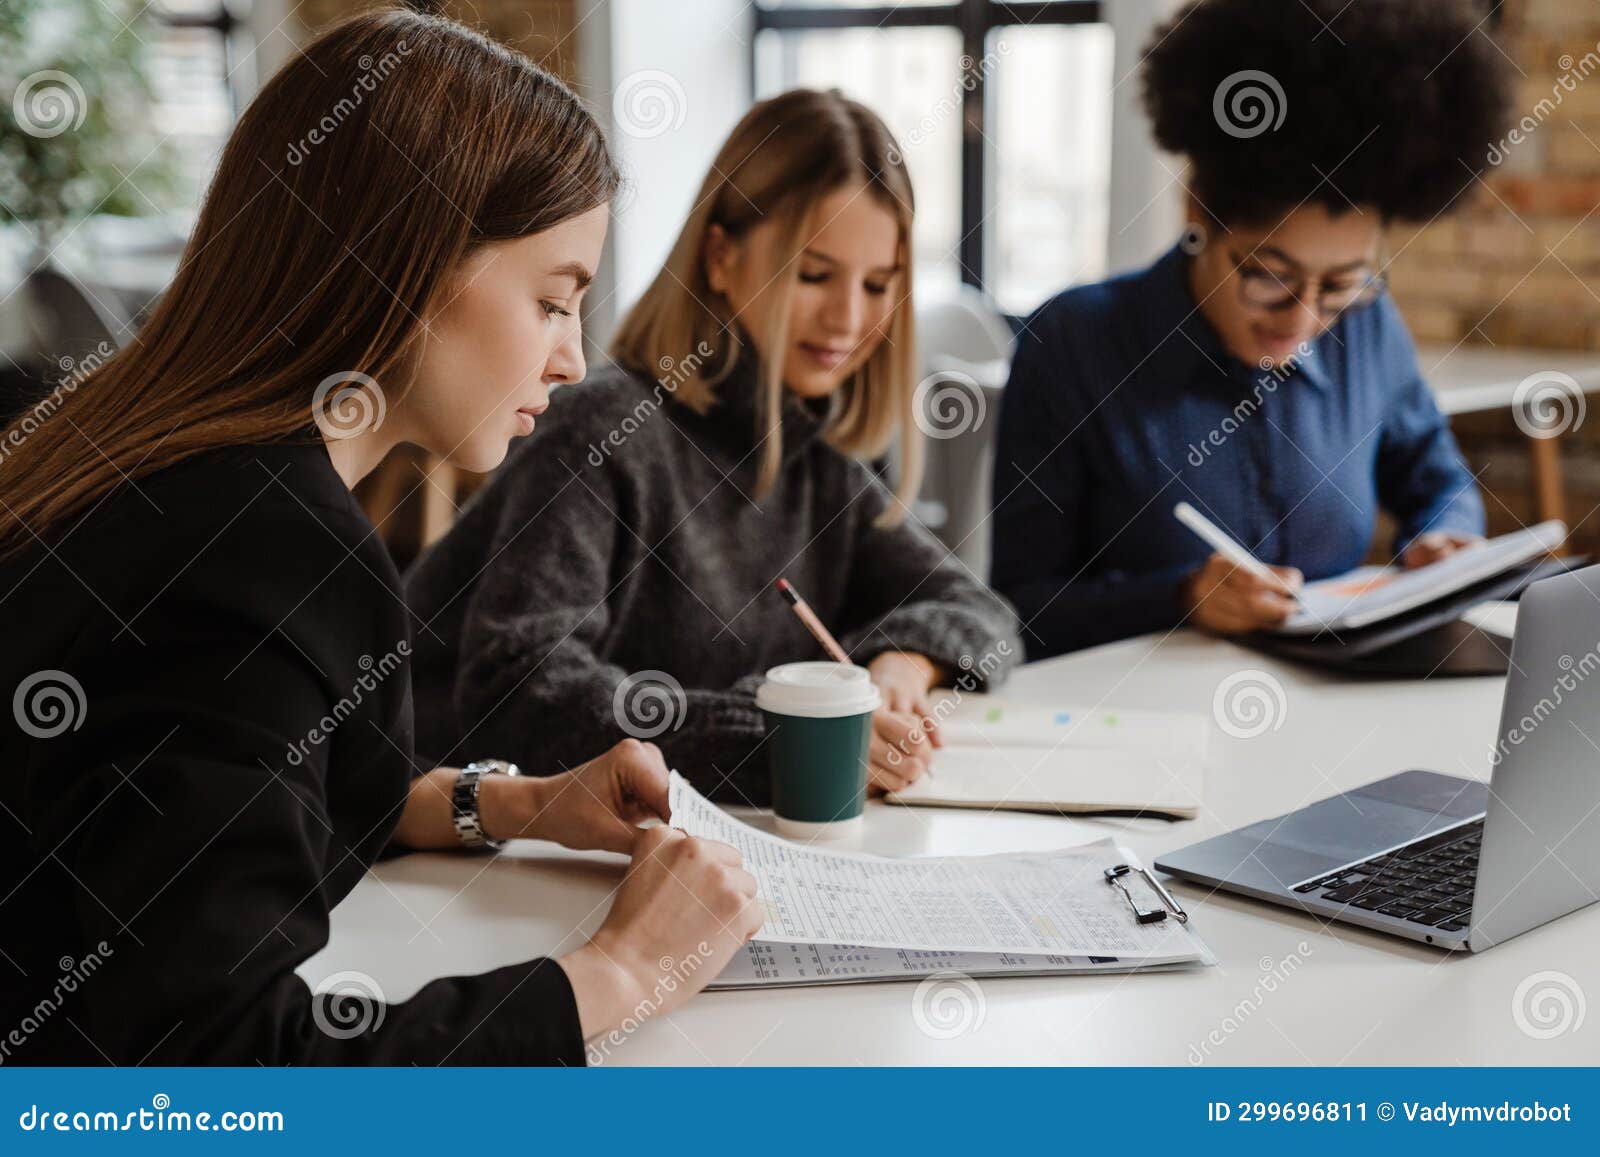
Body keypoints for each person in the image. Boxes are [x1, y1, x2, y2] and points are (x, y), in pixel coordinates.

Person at [0, 10, 762, 1066]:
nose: (573, 359)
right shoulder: (258, 554)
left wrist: (513, 802)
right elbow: (217, 1072)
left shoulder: (148, 449)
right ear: (409, 266)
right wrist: (617, 972)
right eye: (551, 300)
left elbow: (202, 804)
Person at [405, 89, 1020, 804]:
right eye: (814, 274)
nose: (849, 318)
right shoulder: (606, 429)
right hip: (429, 853)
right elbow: (520, 692)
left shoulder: (819, 455)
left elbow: (981, 612)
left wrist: (903, 664)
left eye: (879, 284)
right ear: (721, 257)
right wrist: (781, 733)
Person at [990, 0, 1510, 659]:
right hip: (1134, 730)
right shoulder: (1071, 344)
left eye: (1340, 283)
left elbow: (1438, 479)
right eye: (1269, 274)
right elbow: (1018, 609)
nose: (1302, 319)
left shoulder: (1369, 327)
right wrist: (1180, 597)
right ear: (1196, 212)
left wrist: (1445, 539)